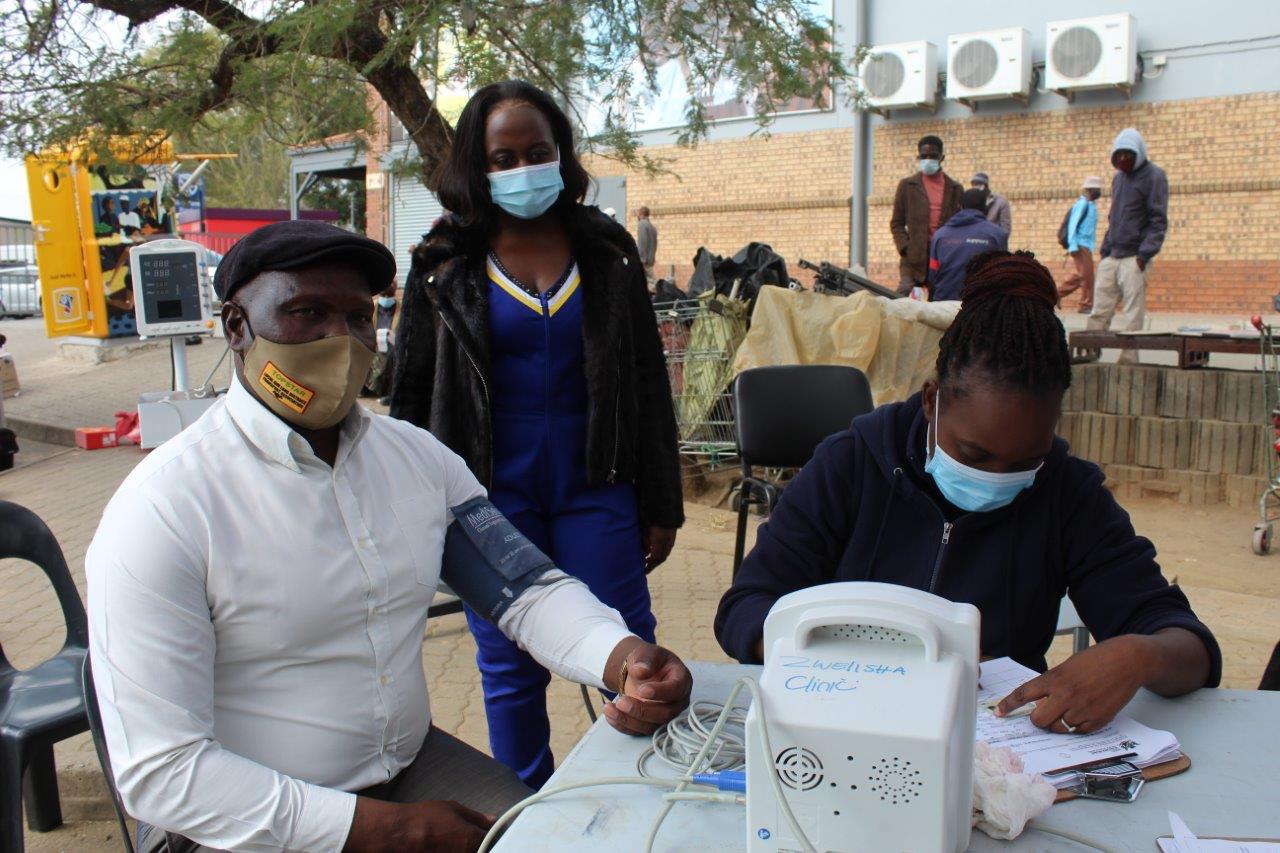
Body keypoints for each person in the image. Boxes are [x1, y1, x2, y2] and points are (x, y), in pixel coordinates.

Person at [88, 219, 693, 853]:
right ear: (237, 327)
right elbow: (161, 772)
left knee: (550, 842)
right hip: (238, 814)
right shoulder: (163, 509)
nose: (340, 340)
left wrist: (621, 655)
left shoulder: (417, 461)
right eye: (305, 312)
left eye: (357, 316)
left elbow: (522, 588)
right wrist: (382, 831)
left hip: (407, 767)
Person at [715, 251, 1221, 735]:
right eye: (975, 455)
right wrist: (880, 654)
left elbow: (1186, 642)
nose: (997, 477)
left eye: (1025, 461)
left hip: (1000, 748)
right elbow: (745, 611)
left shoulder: (1066, 492)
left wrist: (1139, 655)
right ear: (933, 400)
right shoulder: (849, 465)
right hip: (843, 725)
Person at [390, 80, 685, 789]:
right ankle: (520, 810)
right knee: (510, 671)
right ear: (477, 165)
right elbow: (408, 396)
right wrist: (409, 513)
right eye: (504, 156)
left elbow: (647, 380)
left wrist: (661, 501)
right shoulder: (443, 265)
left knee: (631, 653)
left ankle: (646, 790)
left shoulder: (607, 253)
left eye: (538, 151)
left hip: (597, 490)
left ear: (561, 155)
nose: (523, 167)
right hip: (491, 501)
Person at [1084, 128, 1168, 364]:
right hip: (1113, 254)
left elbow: (1158, 220)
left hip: (1135, 256)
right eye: (1118, 156)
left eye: (1127, 155)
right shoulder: (1119, 178)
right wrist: (1105, 251)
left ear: (1138, 154)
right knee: (1100, 308)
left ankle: (1129, 359)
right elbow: (1114, 216)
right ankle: (1089, 352)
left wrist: (1144, 254)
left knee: (1132, 312)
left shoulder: (1154, 176)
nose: (1122, 160)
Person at [891, 135, 964, 296]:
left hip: (943, 259)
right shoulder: (907, 186)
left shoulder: (955, 188)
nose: (928, 159)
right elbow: (896, 223)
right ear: (918, 157)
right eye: (924, 156)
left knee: (939, 302)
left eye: (933, 156)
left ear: (942, 158)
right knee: (902, 296)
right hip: (913, 259)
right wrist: (905, 247)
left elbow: (959, 224)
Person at [927, 188, 1009, 301]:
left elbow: (932, 276)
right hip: (982, 305)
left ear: (960, 207)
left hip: (944, 304)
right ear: (985, 209)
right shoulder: (997, 234)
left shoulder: (940, 235)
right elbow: (1003, 274)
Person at [1057, 176, 1104, 313]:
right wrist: (1073, 246)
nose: (1098, 192)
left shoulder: (1091, 206)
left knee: (1086, 275)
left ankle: (1059, 296)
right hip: (1079, 244)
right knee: (1085, 275)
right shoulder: (1082, 204)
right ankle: (1085, 305)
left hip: (1086, 245)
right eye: (1096, 189)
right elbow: (1072, 225)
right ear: (1089, 189)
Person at [362, 281, 400, 403]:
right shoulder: (372, 306)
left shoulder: (401, 308)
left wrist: (393, 337)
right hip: (374, 343)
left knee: (392, 357)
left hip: (393, 345)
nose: (386, 299)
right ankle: (366, 388)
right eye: (383, 296)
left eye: (389, 297)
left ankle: (387, 392)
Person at [970, 171, 1012, 237]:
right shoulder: (971, 201)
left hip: (993, 240)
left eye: (977, 185)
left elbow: (1005, 228)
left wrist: (999, 242)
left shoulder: (1001, 202)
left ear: (984, 186)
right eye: (973, 185)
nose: (975, 188)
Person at [637, 206, 658, 291]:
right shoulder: (652, 227)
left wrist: (641, 258)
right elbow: (655, 244)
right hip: (650, 259)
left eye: (638, 214)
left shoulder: (642, 224)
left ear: (641, 214)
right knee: (650, 281)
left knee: (650, 284)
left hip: (644, 260)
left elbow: (642, 242)